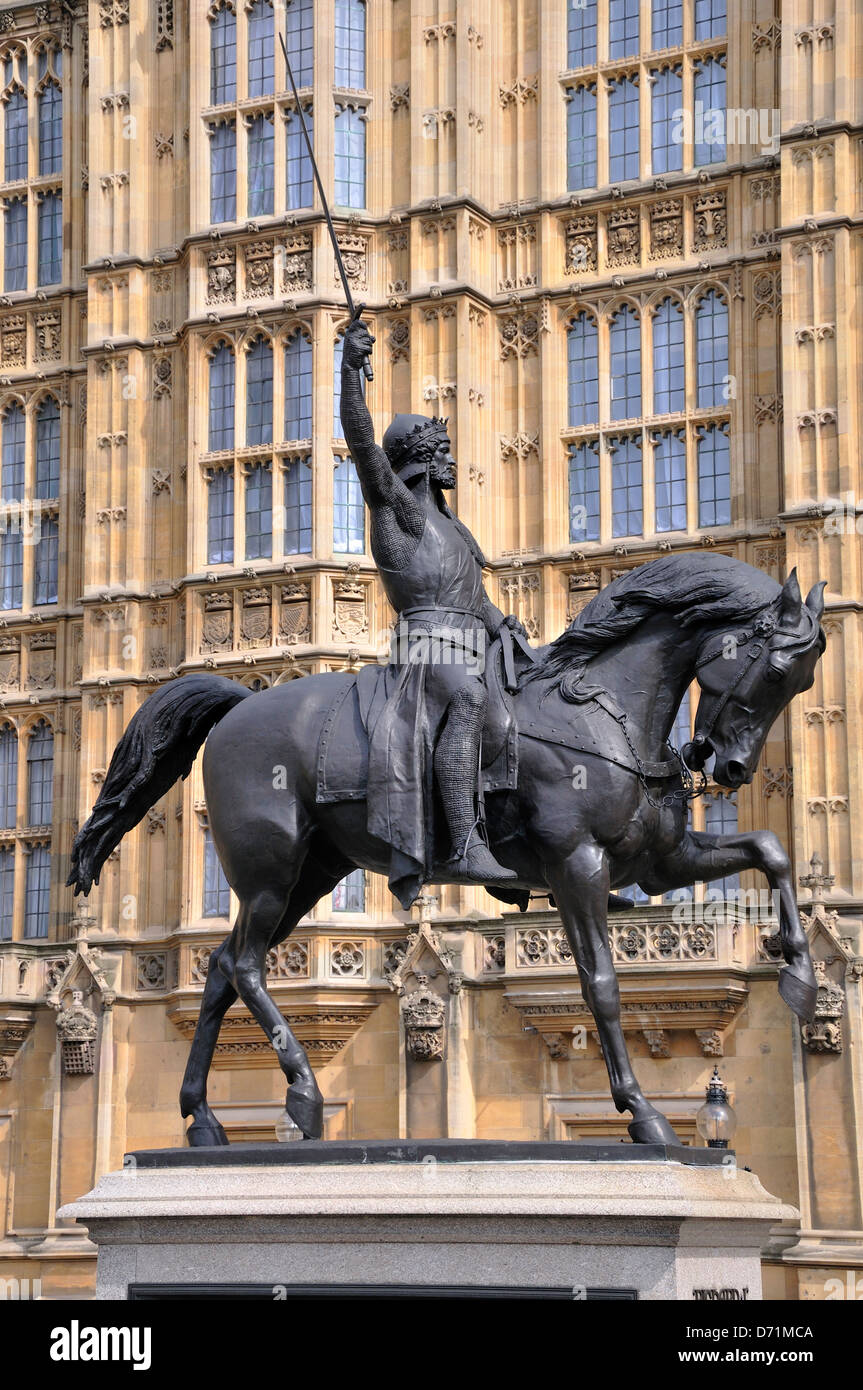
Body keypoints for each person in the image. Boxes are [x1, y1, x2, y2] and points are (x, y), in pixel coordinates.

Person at [339, 311, 523, 905]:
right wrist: (350, 371)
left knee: (543, 705)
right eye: (441, 450)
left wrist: (505, 626)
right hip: (426, 650)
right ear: (419, 459)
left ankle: (541, 849)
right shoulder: (400, 511)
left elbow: (478, 599)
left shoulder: (454, 528)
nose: (450, 460)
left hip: (472, 644)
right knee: (467, 696)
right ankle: (464, 844)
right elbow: (363, 443)